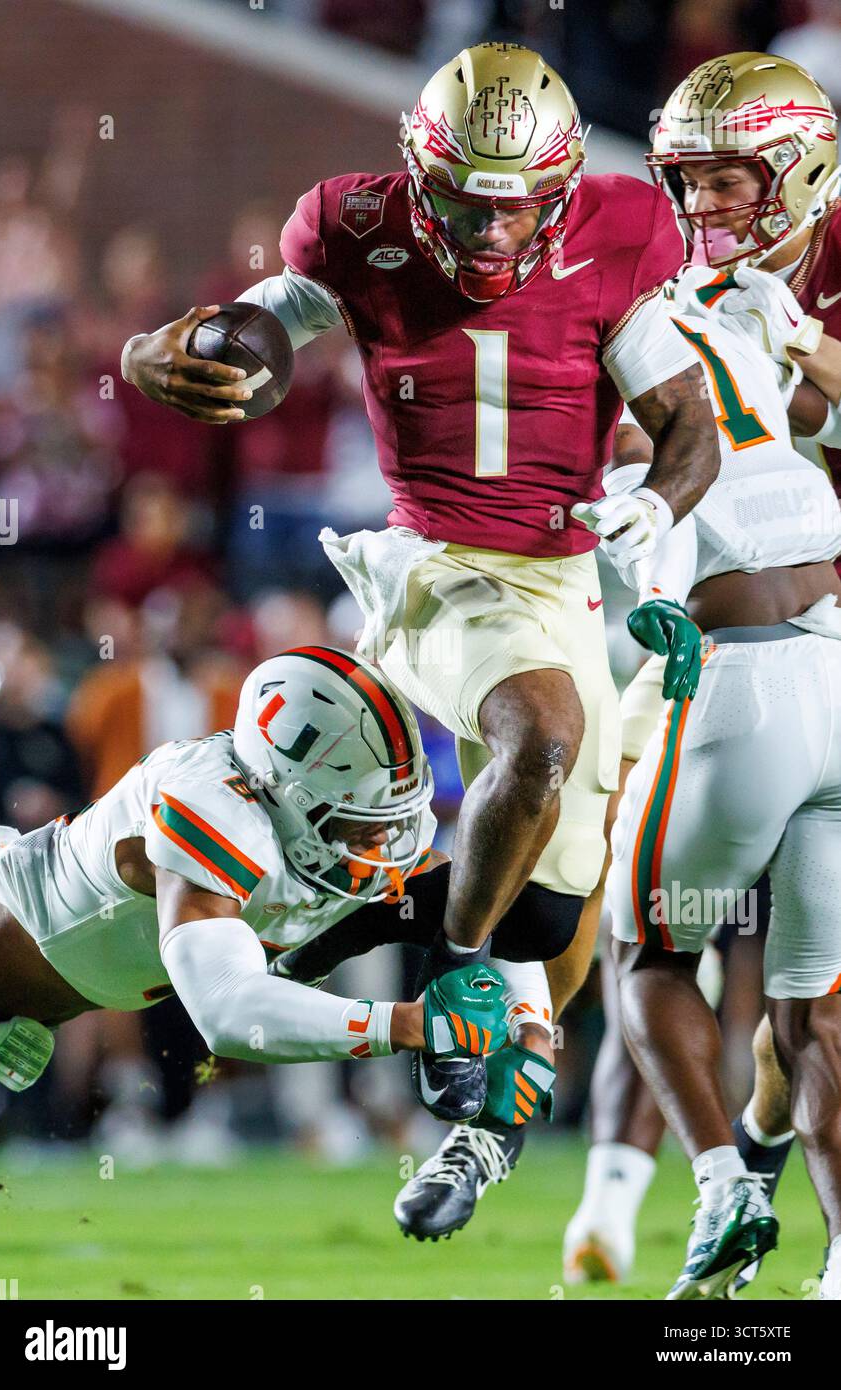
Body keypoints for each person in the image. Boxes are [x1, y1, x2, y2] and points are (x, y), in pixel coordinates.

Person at [121, 41, 722, 1132]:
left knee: (545, 918)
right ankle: (445, 973)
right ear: (417, 171)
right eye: (464, 203)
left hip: (563, 572)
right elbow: (265, 325)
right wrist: (180, 351)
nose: (490, 231)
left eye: (515, 207)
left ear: (564, 183)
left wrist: (658, 502)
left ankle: (306, 942)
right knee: (538, 734)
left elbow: (688, 424)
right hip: (433, 562)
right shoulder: (357, 225)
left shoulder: (619, 229)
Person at [567, 49, 841, 1293]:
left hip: (745, 659)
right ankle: (639, 1204)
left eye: (728, 179)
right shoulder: (682, 292)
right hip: (819, 655)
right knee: (810, 1003)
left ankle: (721, 1184)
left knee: (651, 945)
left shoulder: (712, 301)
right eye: (685, 182)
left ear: (799, 171)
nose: (704, 208)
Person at [0, 647, 529, 1125]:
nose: (384, 840)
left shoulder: (295, 810)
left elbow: (490, 900)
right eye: (361, 819)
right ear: (289, 787)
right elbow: (227, 1011)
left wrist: (525, 1026)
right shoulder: (210, 807)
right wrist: (409, 1024)